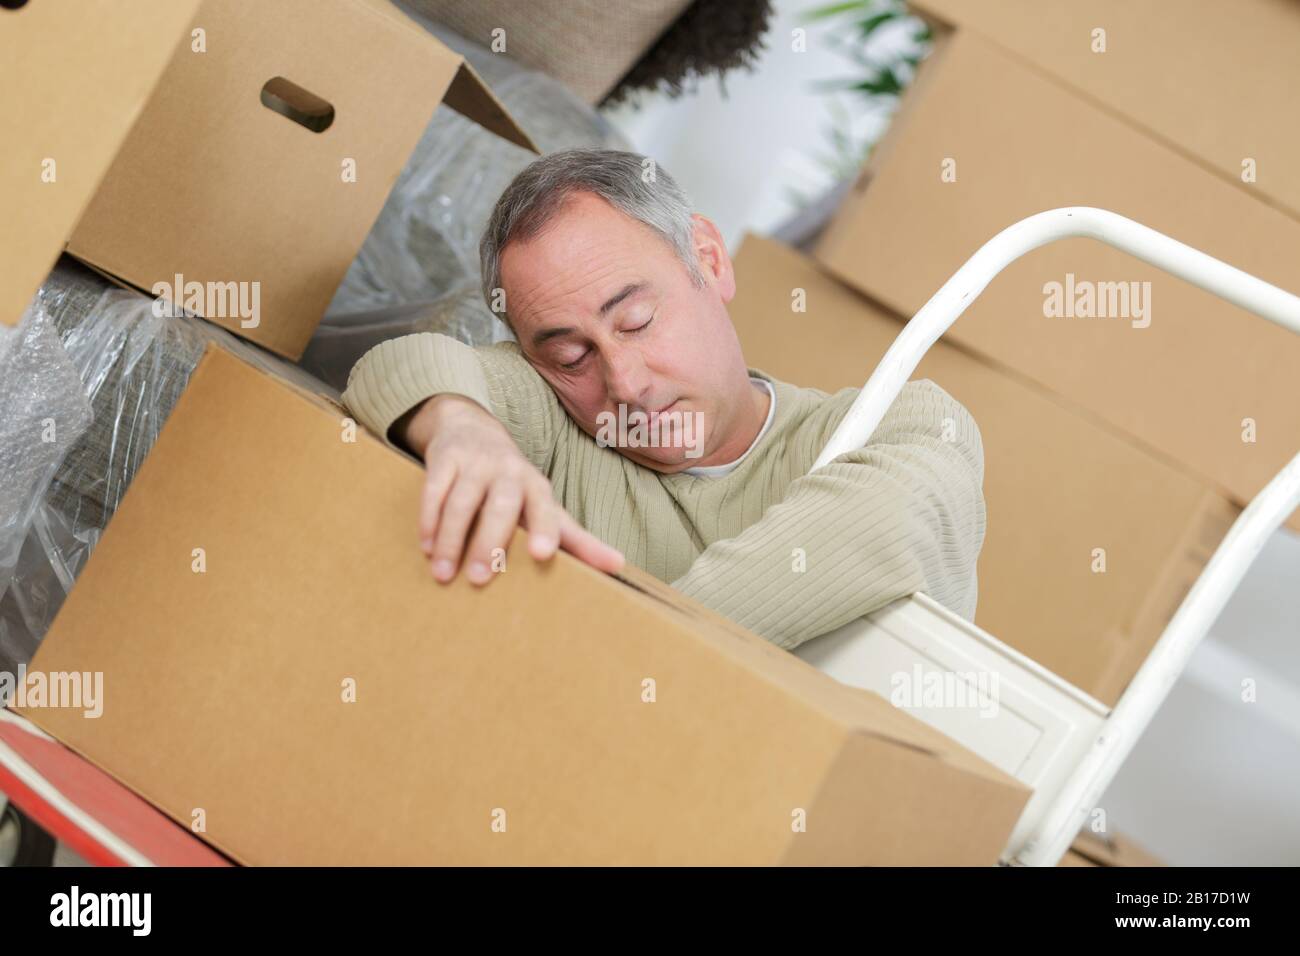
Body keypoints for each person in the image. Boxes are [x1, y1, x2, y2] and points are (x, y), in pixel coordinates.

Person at [342, 148, 985, 651]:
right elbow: (398, 365)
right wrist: (462, 428)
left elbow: (878, 528)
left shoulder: (903, 424)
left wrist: (611, 656)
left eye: (638, 321)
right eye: (572, 355)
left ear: (708, 260)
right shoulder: (558, 421)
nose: (625, 384)